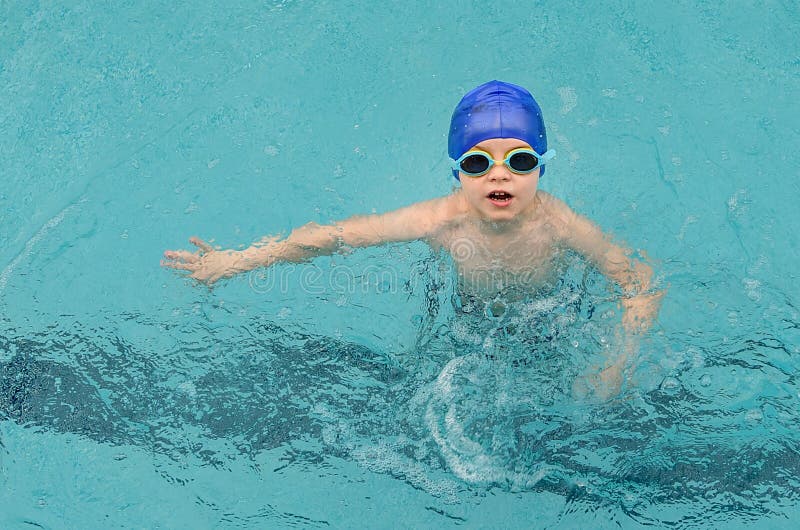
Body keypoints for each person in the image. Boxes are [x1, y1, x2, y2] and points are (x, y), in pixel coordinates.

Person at [162, 80, 664, 397]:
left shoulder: (561, 225)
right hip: (473, 327)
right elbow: (337, 237)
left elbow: (639, 280)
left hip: (559, 316)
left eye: (520, 160)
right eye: (477, 162)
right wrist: (237, 262)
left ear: (542, 168)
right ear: (456, 172)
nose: (499, 176)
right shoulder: (440, 221)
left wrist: (616, 361)